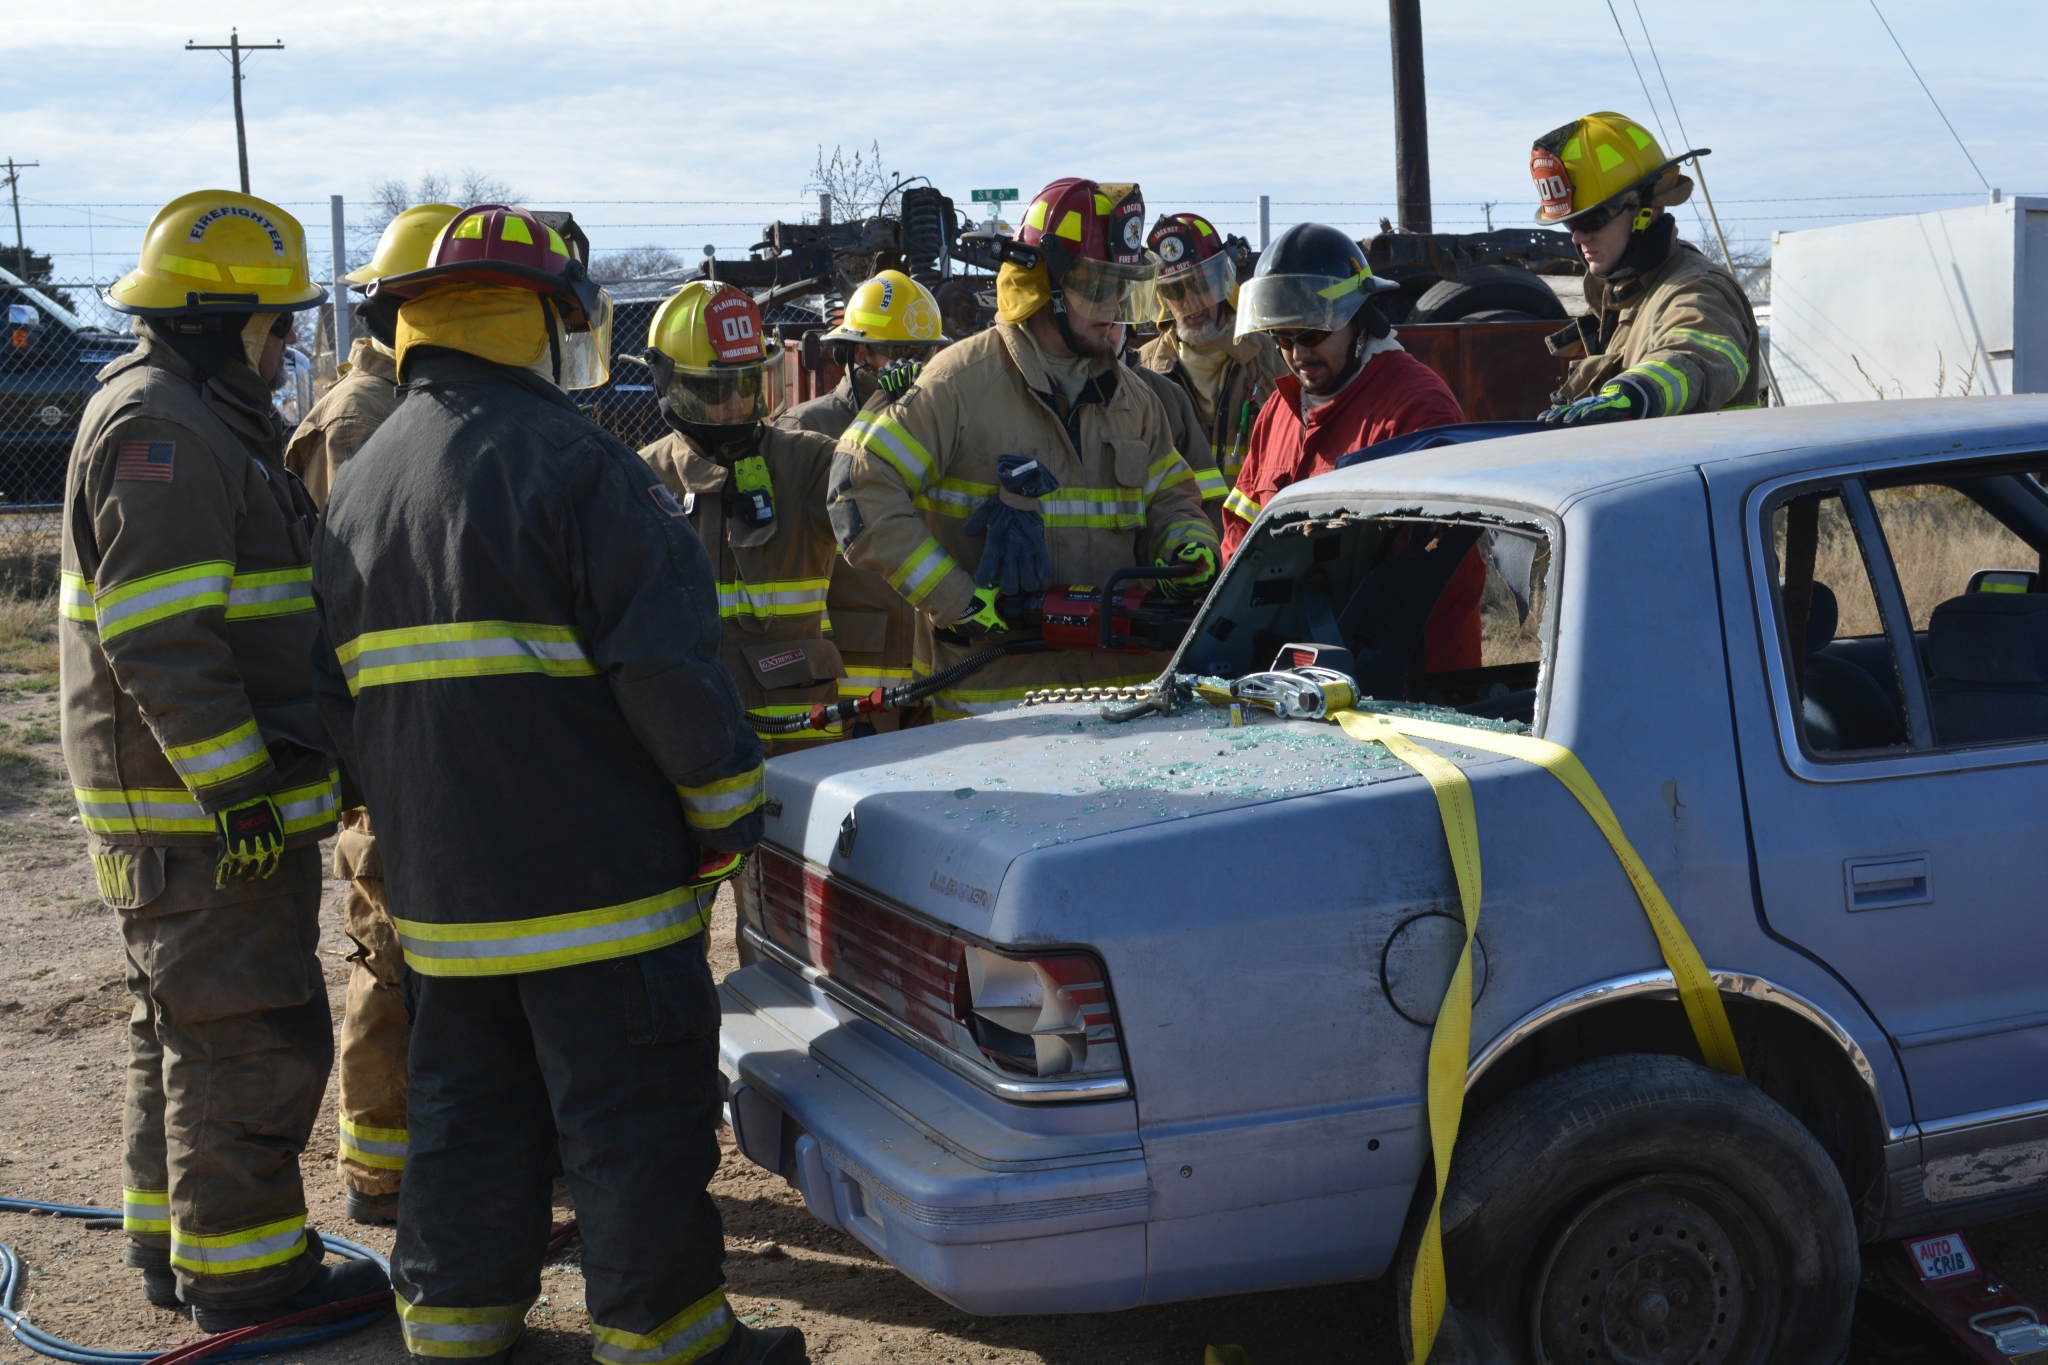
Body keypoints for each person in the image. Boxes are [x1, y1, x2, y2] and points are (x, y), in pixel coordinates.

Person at [313, 203, 801, 1365]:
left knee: (467, 1116)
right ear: (539, 321)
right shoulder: (581, 466)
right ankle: (667, 1341)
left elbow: (336, 702)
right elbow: (668, 674)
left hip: (445, 903)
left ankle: (456, 1329)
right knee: (632, 1120)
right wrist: (728, 812)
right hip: (601, 895)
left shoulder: (361, 482)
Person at [61, 189, 383, 1328]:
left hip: (186, 809)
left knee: (184, 1028)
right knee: (246, 1031)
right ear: (214, 320)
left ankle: (176, 1248)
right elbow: (159, 637)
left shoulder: (189, 412)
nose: (287, 342)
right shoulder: (166, 431)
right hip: (201, 816)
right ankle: (250, 1278)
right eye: (274, 322)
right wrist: (239, 787)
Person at [831, 178, 1218, 719]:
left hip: (1123, 711)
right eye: (1097, 286)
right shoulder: (959, 384)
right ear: (1044, 286)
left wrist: (1189, 545)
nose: (1113, 307)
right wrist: (956, 600)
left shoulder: (1134, 399)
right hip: (994, 720)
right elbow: (857, 488)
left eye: (1122, 287)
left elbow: (1172, 502)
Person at [281, 200, 458, 1228]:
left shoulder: (407, 405)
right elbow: (376, 589)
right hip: (388, 734)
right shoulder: (362, 418)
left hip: (423, 725)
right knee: (389, 949)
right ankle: (381, 1170)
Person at [1223, 222, 1484, 672]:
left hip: (1403, 676)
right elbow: (1240, 532)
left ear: (1359, 318)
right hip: (1292, 669)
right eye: (1282, 338)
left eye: (1312, 334)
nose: (1298, 354)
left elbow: (1427, 571)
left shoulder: (1416, 409)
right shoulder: (1278, 412)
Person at [637, 281, 843, 753]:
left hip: (804, 743)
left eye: (749, 384)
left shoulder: (807, 462)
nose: (737, 404)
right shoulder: (641, 478)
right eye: (718, 389)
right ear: (673, 386)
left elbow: (879, 502)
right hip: (692, 741)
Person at [777, 269, 944, 732]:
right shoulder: (806, 431)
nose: (916, 366)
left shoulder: (945, 425)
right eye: (901, 352)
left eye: (924, 353)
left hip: (935, 670)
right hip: (855, 682)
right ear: (860, 353)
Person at [1530, 111, 1761, 425]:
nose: (1578, 236)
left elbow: (1700, 353)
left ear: (1647, 209)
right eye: (1571, 223)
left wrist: (1636, 392)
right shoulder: (1623, 296)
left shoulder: (1696, 287)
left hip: (1706, 457)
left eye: (1592, 219)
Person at [1137, 213, 1289, 527]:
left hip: (1253, 535)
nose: (1190, 302)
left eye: (1200, 283)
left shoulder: (1268, 357)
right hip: (1176, 540)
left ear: (1223, 281)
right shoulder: (1142, 370)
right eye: (1175, 290)